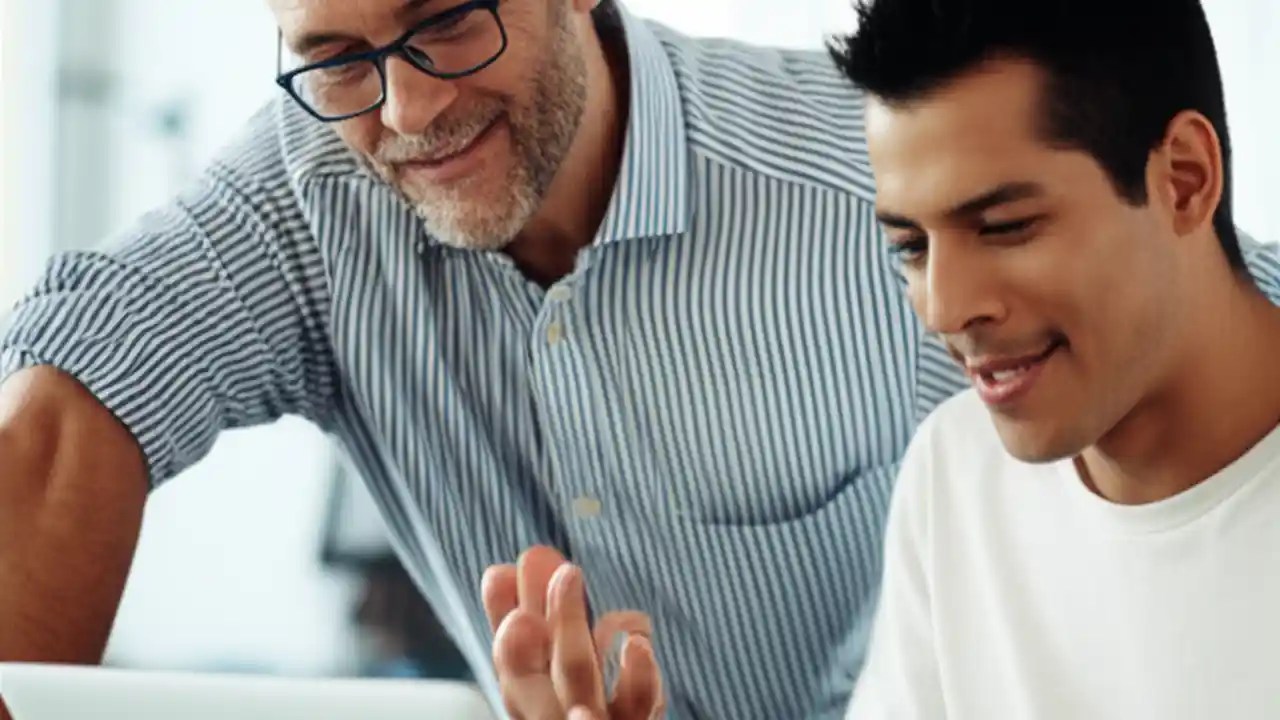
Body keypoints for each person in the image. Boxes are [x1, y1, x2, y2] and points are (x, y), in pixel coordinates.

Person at [2, 0, 1279, 718]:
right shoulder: (316, 193)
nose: (406, 110)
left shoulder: (875, 165)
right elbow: (73, 396)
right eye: (336, 58)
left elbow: (1195, 277)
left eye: (446, 22)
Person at [480, 0, 1280, 717]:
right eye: (910, 245)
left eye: (1006, 227)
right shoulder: (955, 470)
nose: (943, 307)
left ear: (1184, 179)